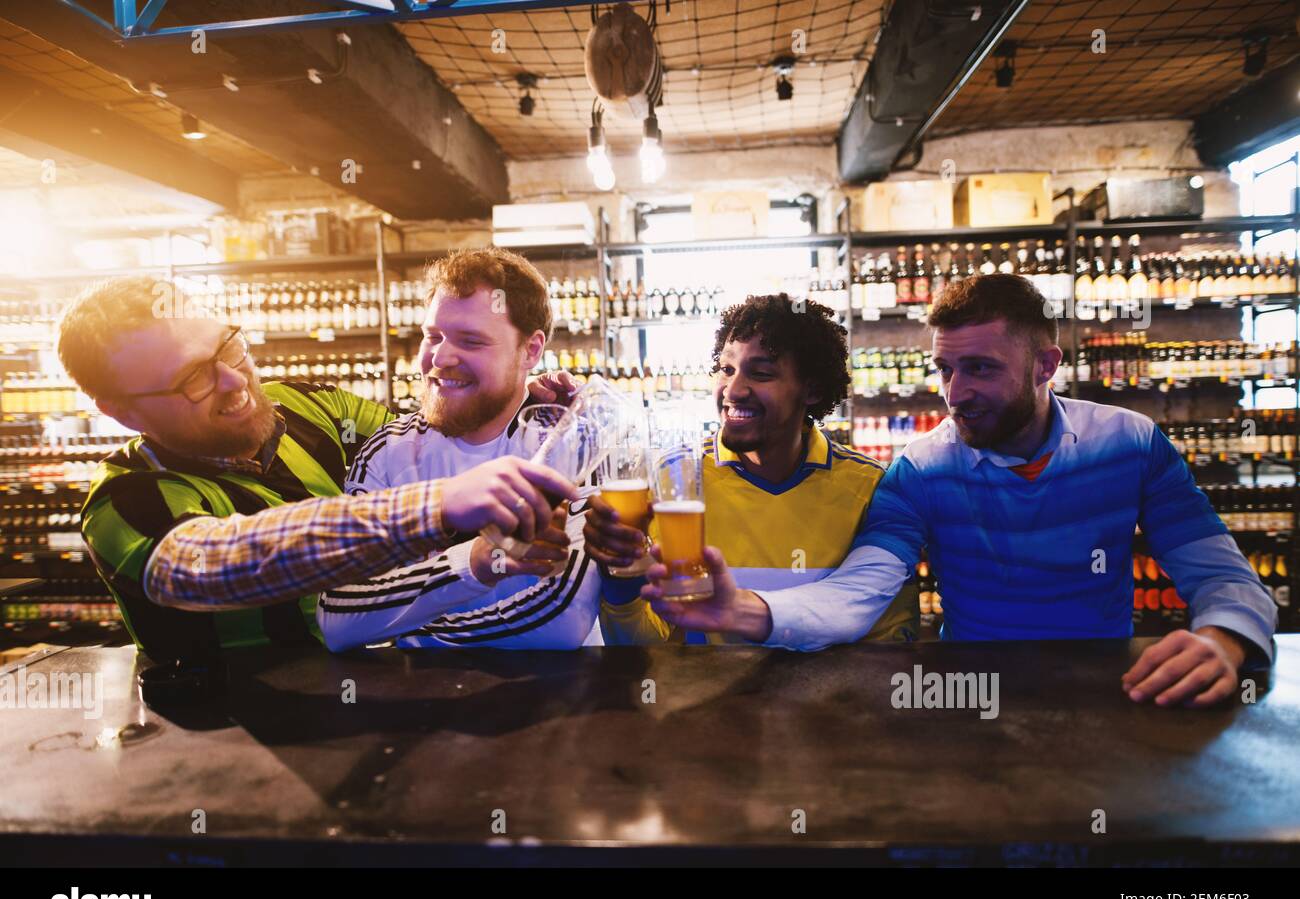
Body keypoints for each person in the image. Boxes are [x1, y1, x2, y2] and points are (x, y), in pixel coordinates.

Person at [634, 274, 1276, 707]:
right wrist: (746, 613)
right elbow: (859, 595)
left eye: (981, 368)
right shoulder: (921, 471)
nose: (956, 392)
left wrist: (1223, 638)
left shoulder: (1129, 443)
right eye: (944, 368)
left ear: (1045, 366)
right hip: (970, 696)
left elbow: (1221, 573)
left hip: (1114, 686)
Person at [58, 276, 576, 665]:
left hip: (373, 693)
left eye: (227, 347)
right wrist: (437, 505)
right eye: (193, 378)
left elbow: (431, 436)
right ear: (122, 412)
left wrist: (514, 396)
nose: (233, 382)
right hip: (231, 736)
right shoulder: (125, 501)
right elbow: (217, 563)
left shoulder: (306, 408)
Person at [580, 293, 917, 644]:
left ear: (812, 390)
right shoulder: (673, 478)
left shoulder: (869, 486)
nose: (734, 390)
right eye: (727, 369)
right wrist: (621, 585)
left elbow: (889, 637)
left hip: (829, 697)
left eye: (761, 373)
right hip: (708, 695)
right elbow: (644, 647)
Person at [316, 248, 601, 650]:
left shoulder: (567, 443)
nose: (441, 357)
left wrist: (410, 632)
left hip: (559, 703)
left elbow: (560, 620)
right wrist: (474, 562)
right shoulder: (388, 452)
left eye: (471, 340)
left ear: (531, 350)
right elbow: (338, 614)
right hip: (422, 705)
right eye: (432, 336)